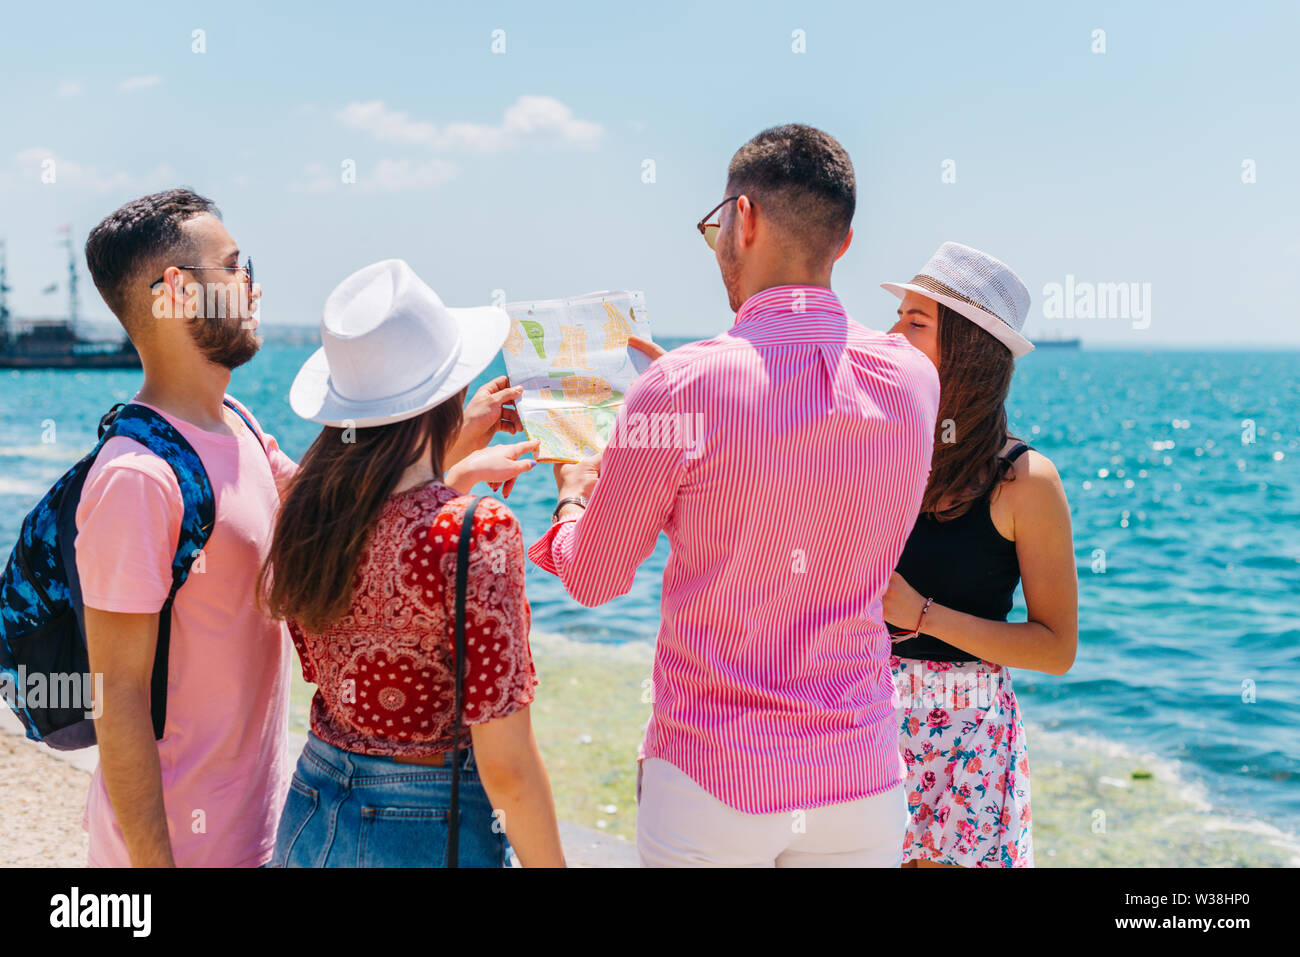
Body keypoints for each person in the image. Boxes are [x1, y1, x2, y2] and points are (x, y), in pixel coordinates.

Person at [529, 124, 940, 867]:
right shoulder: (915, 378)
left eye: (718, 224)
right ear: (842, 243)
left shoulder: (681, 387)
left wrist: (572, 496)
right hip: (860, 778)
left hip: (714, 778)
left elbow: (593, 578)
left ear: (742, 219)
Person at [261, 258, 565, 868]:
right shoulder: (476, 531)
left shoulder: (307, 507)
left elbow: (385, 525)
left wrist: (450, 462)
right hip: (423, 825)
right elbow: (506, 768)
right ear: (451, 393)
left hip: (314, 805)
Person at [77, 188, 297, 866]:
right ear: (177, 291)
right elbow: (117, 703)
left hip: (260, 830)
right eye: (235, 268)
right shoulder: (137, 477)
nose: (253, 287)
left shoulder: (240, 425)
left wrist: (448, 449)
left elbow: (327, 515)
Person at [879, 241, 1078, 868]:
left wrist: (923, 616)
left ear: (969, 351)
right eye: (898, 316)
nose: (890, 334)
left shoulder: (1025, 481)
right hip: (858, 725)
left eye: (915, 322)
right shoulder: (879, 450)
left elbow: (1055, 647)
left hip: (965, 739)